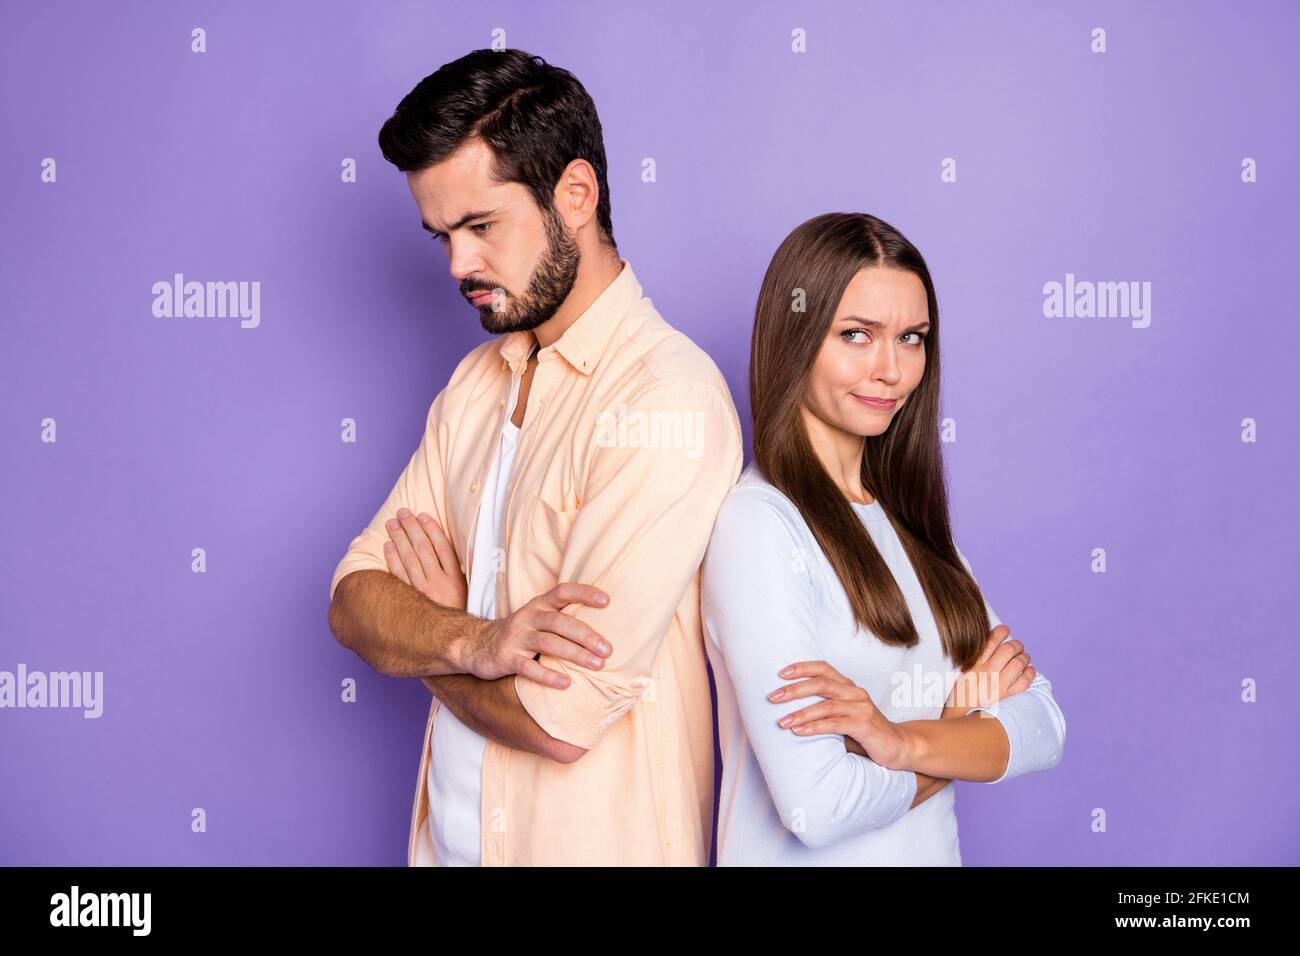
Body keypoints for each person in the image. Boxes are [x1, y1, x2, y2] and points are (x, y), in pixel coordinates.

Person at [328, 49, 743, 866]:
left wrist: (434, 645)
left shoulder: (666, 399)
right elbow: (351, 603)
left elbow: (560, 720)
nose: (457, 266)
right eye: (441, 235)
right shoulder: (475, 387)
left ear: (576, 196)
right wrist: (474, 641)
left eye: (481, 226)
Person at [701, 212, 1067, 865]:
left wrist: (897, 741)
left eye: (911, 338)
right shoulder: (760, 527)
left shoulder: (910, 525)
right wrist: (959, 730)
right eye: (857, 335)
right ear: (795, 336)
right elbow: (820, 806)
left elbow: (1044, 727)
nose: (891, 370)